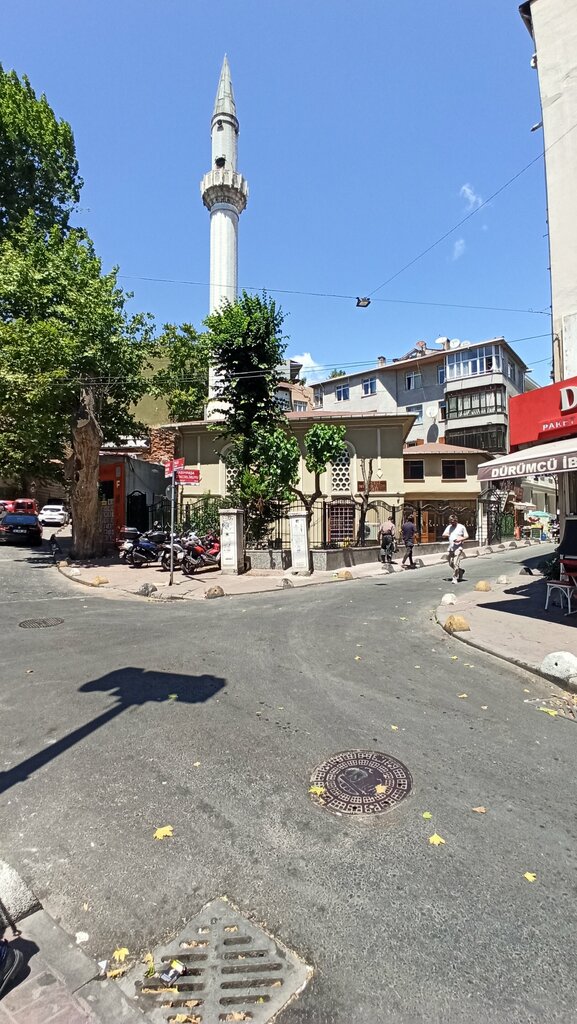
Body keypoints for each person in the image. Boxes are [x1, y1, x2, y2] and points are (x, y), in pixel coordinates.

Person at [443, 514, 469, 584]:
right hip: (451, 548)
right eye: (450, 522)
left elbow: (466, 536)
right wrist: (448, 535)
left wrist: (460, 539)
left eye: (453, 522)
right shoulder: (449, 527)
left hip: (458, 547)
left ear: (456, 521)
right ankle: (460, 571)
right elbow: (444, 534)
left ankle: (455, 578)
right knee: (450, 563)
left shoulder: (461, 527)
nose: (452, 523)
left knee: (455, 563)